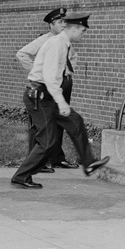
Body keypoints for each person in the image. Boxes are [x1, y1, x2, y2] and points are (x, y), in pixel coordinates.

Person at [10, 13, 110, 189]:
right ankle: (21, 176)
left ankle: (88, 164)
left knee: (75, 121)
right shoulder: (57, 44)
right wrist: (62, 102)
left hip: (48, 95)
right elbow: (49, 77)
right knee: (48, 141)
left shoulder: (63, 43)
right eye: (82, 31)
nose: (83, 34)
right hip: (40, 96)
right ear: (72, 28)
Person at [15, 7, 79, 172]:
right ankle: (37, 161)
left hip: (62, 83)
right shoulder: (44, 40)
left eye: (65, 22)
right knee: (40, 124)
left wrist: (68, 73)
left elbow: (71, 57)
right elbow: (22, 54)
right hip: (46, 86)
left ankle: (57, 158)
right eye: (59, 22)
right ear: (51, 25)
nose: (63, 25)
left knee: (59, 122)